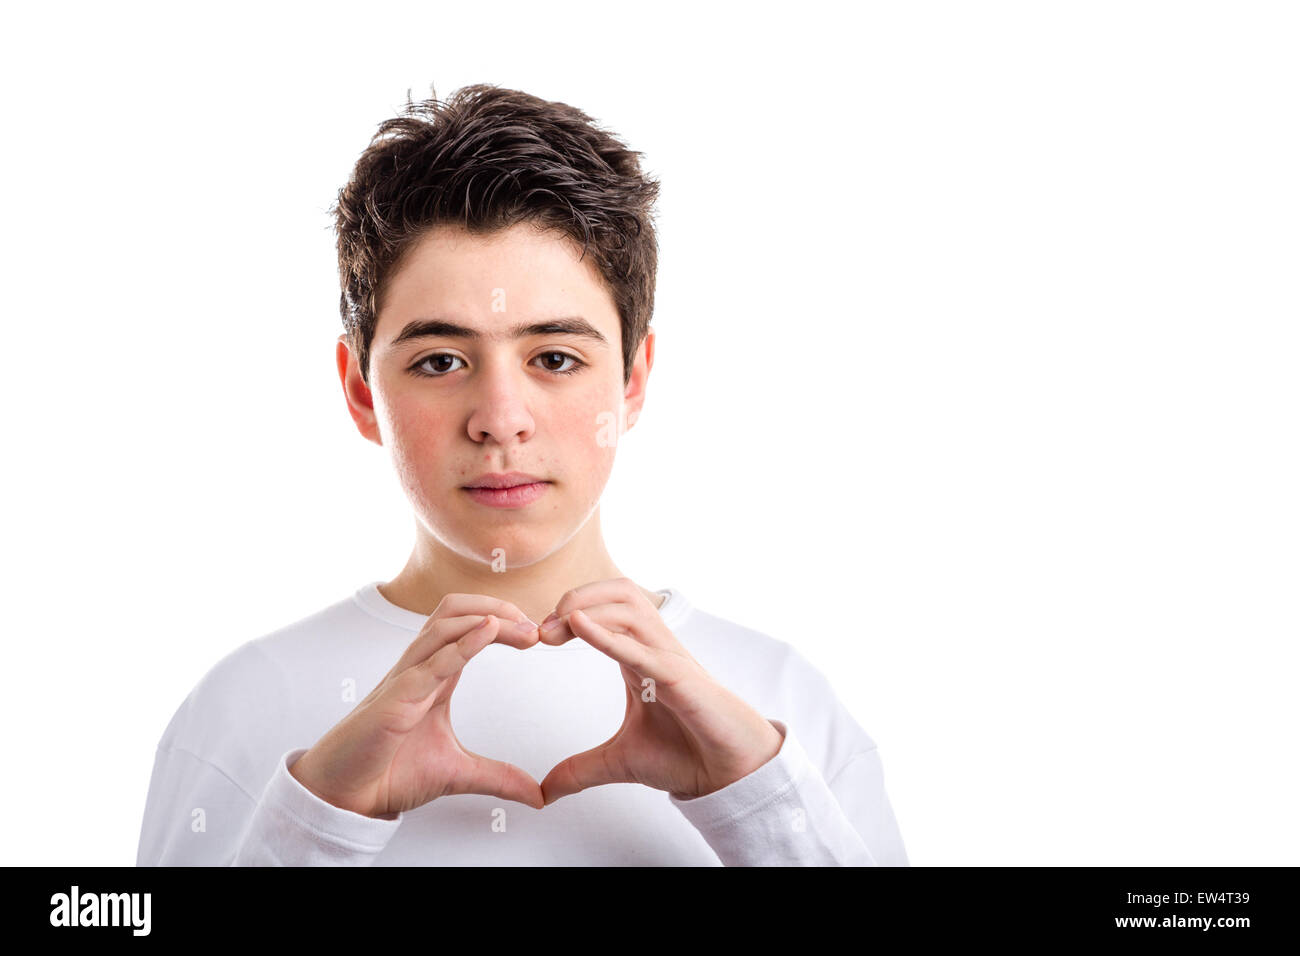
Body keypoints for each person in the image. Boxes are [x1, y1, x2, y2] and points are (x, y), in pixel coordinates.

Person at [136, 83, 909, 866]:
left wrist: (763, 805)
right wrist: (317, 821)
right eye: (440, 361)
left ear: (633, 380)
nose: (500, 418)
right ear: (360, 390)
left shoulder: (782, 706)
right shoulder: (241, 709)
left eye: (554, 358)